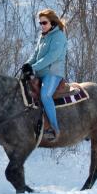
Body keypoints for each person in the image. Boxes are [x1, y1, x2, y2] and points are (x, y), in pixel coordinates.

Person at [24, 9, 67, 144]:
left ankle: (54, 129)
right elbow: (35, 54)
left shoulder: (59, 36)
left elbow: (51, 57)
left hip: (53, 73)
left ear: (52, 22)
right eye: (40, 23)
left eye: (44, 22)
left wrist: (33, 67)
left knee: (45, 96)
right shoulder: (43, 36)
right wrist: (27, 65)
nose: (42, 25)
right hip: (40, 73)